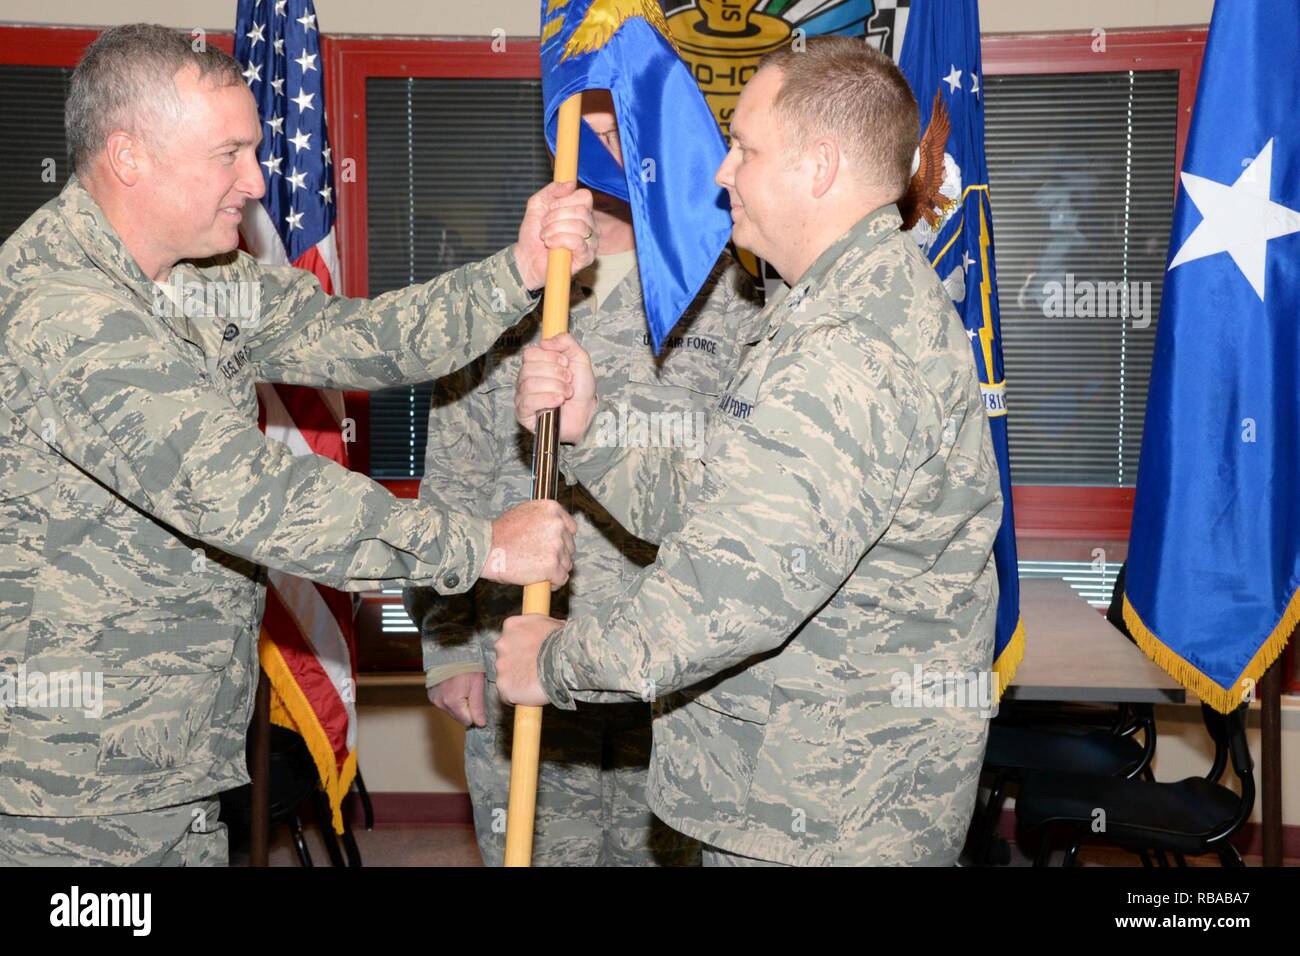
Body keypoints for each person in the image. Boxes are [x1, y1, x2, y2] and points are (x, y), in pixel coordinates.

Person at [0, 23, 595, 865]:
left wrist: (516, 272)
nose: (252, 180)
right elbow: (240, 490)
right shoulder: (64, 307)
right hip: (72, 778)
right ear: (129, 156)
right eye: (229, 153)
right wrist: (480, 545)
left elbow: (355, 335)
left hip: (171, 749)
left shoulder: (193, 278)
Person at [496, 37, 1003, 866]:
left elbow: (726, 590)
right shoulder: (829, 305)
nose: (722, 172)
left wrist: (554, 664)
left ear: (820, 166)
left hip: (828, 818)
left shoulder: (852, 345)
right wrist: (597, 428)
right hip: (795, 796)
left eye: (745, 147)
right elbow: (722, 499)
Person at [405, 91, 762, 866]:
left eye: (619, 130)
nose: (604, 148)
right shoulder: (510, 290)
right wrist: (450, 648)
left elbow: (746, 488)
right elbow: (455, 484)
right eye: (586, 132)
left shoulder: (725, 294)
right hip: (523, 651)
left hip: (671, 669)